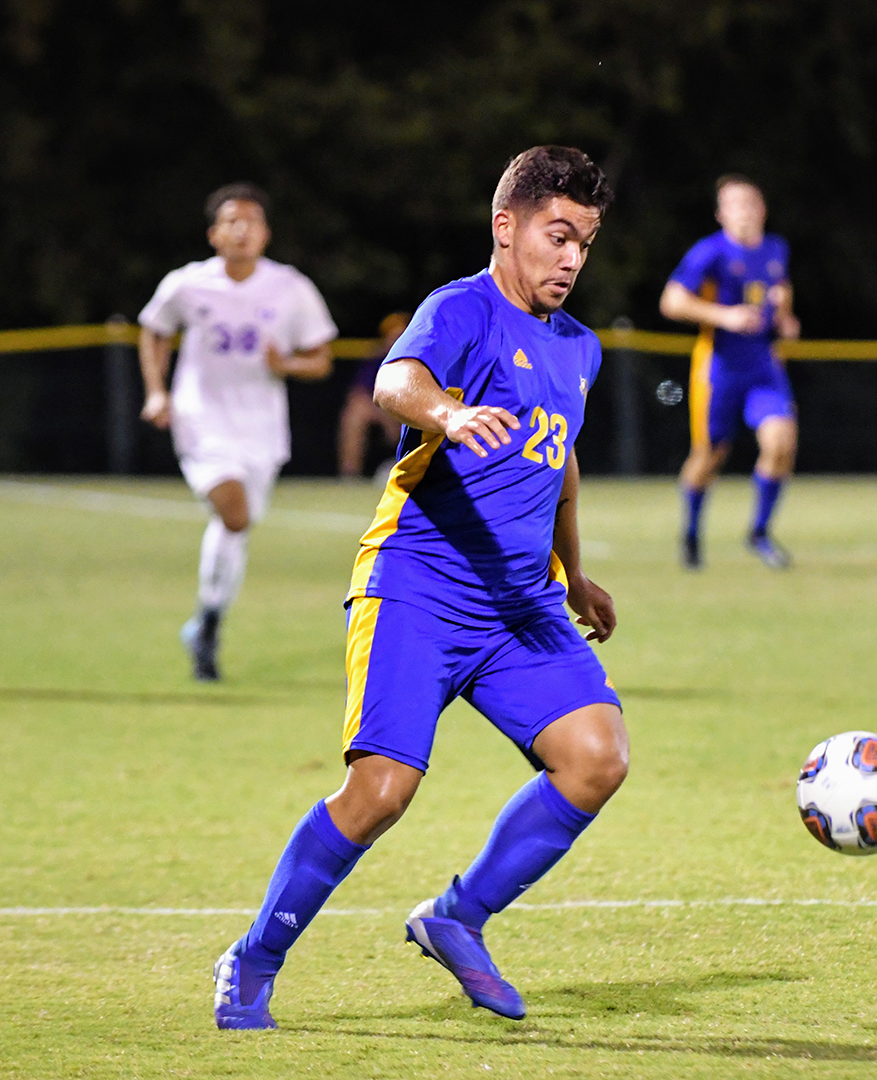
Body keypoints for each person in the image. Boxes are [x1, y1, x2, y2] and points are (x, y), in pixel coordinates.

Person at [211, 146, 624, 1029]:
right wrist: (448, 413)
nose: (571, 259)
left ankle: (456, 918)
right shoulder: (462, 309)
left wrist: (575, 572)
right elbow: (400, 381)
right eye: (558, 236)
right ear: (504, 228)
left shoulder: (578, 348)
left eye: (584, 243)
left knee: (597, 760)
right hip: (420, 587)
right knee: (382, 794)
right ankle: (254, 958)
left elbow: (562, 465)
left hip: (522, 608)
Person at [138, 183, 337, 682]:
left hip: (261, 430)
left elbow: (321, 361)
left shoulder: (290, 287)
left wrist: (286, 362)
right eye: (231, 221)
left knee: (237, 528)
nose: (242, 229)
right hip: (201, 419)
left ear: (266, 234)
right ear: (213, 233)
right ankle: (207, 624)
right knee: (234, 514)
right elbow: (154, 330)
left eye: (251, 221)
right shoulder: (188, 283)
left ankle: (207, 620)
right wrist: (156, 392)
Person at [659, 174, 801, 570]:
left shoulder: (775, 249)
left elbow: (780, 289)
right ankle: (690, 534)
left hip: (763, 367)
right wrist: (725, 316)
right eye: (735, 205)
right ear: (722, 215)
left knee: (781, 444)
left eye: (750, 203)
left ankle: (759, 532)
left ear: (762, 210)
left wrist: (786, 318)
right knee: (709, 455)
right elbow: (671, 301)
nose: (744, 211)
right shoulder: (711, 252)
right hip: (718, 368)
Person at [337, 312, 411, 479]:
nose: (394, 341)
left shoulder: (423, 357)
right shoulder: (378, 358)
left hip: (420, 413)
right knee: (356, 412)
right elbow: (360, 393)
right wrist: (386, 417)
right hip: (388, 411)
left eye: (400, 336)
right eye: (391, 336)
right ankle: (350, 475)